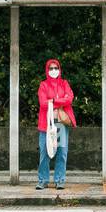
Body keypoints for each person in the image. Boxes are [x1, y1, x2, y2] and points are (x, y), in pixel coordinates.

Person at [37, 57, 76, 190]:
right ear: (47, 70)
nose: (54, 70)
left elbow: (69, 99)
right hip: (46, 123)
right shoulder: (43, 85)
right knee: (45, 152)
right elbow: (42, 103)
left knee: (61, 152)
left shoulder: (64, 83)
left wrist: (52, 101)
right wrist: (59, 100)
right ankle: (43, 180)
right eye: (51, 68)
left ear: (59, 69)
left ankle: (60, 180)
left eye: (56, 68)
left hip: (61, 123)